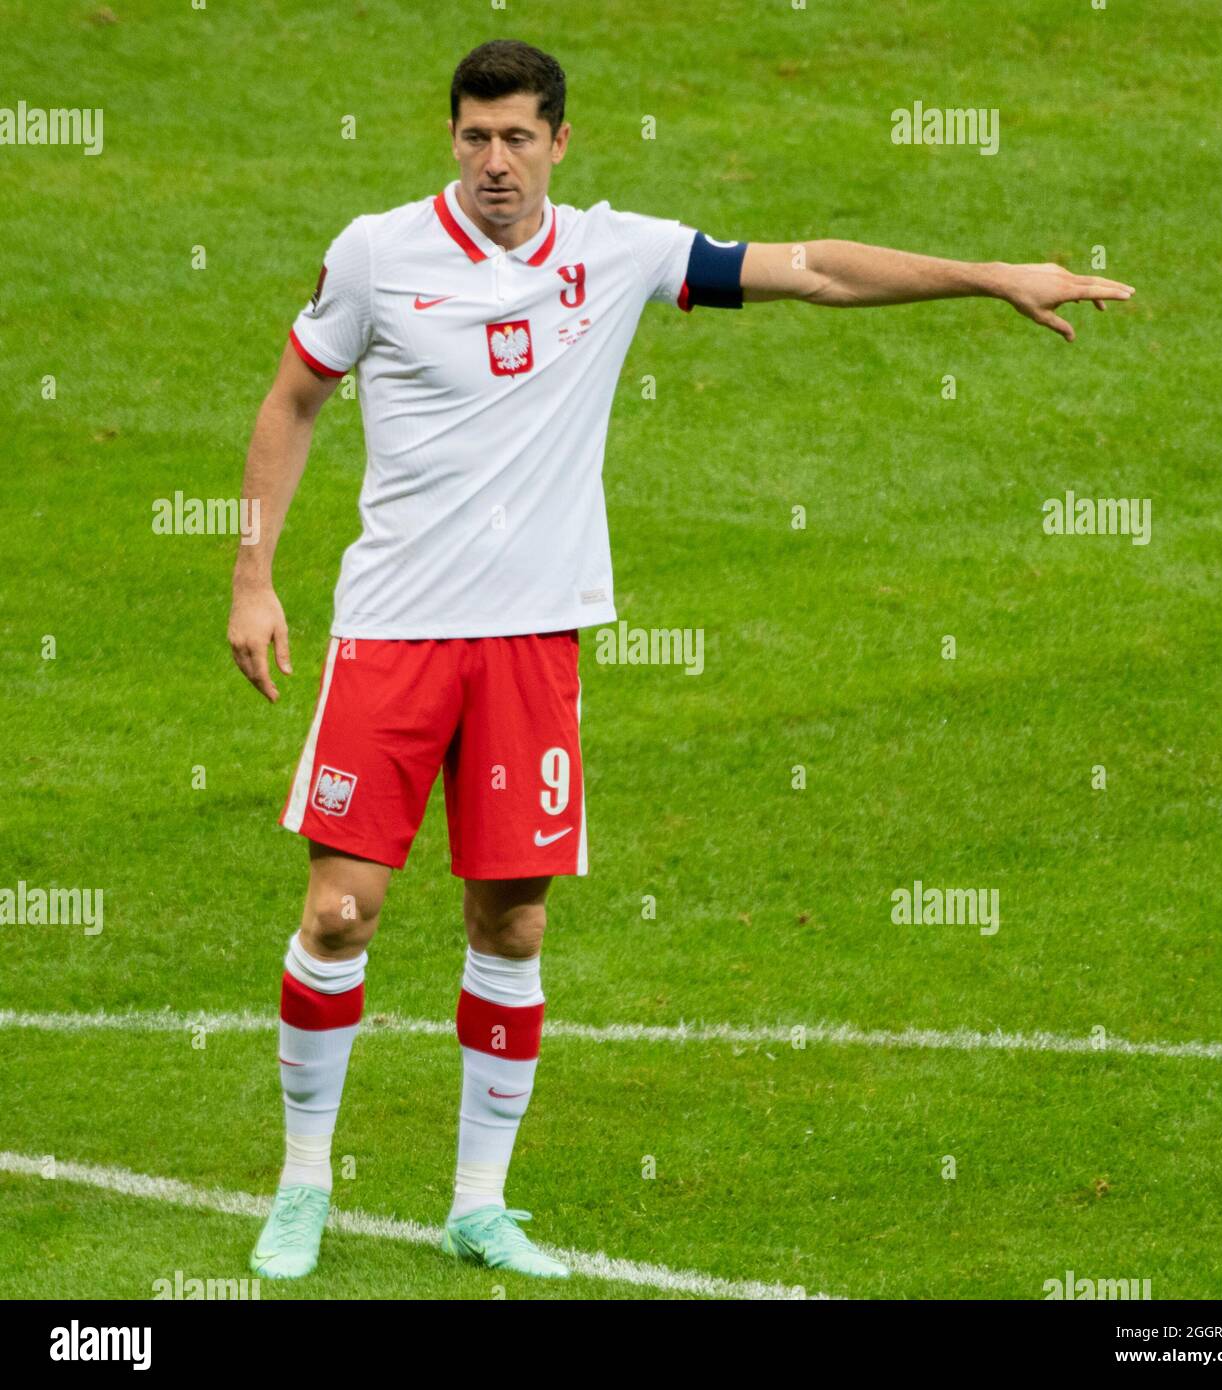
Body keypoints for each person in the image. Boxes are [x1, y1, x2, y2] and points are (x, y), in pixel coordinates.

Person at [227, 38, 1135, 1282]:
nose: (495, 160)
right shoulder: (379, 253)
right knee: (341, 913)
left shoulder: (615, 252)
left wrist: (985, 276)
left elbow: (813, 270)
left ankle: (480, 1205)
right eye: (474, 136)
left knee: (515, 921)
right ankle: (302, 1186)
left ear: (560, 142)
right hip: (392, 638)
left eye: (518, 137)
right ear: (451, 138)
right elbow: (292, 399)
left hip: (531, 646)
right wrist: (253, 573)